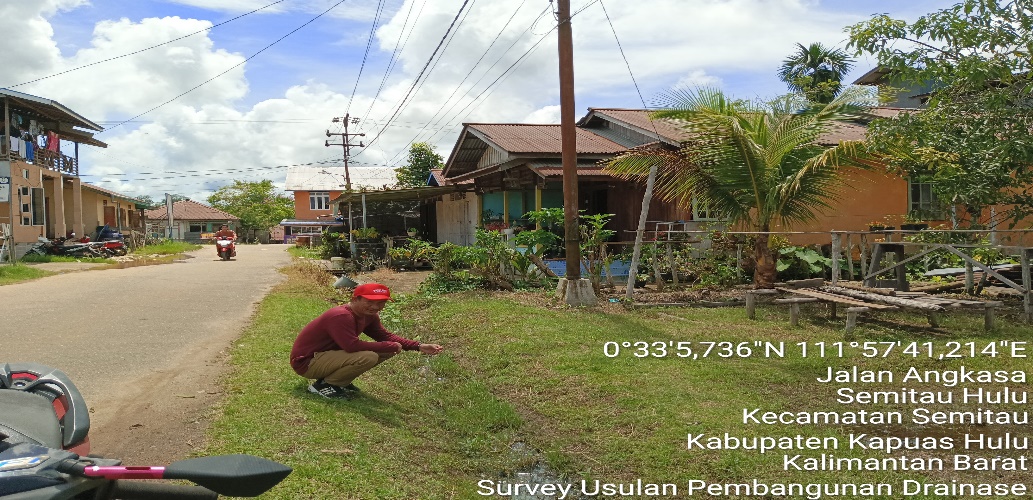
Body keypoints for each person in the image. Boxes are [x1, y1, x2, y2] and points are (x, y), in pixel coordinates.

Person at [289, 283, 444, 399]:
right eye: (370, 301)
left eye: (381, 302)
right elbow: (351, 346)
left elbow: (385, 336)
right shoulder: (341, 316)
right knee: (369, 356)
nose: (375, 306)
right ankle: (324, 386)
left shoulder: (368, 315)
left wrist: (418, 346)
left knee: (388, 349)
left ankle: (339, 381)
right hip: (307, 362)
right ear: (355, 299)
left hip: (326, 356)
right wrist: (387, 345)